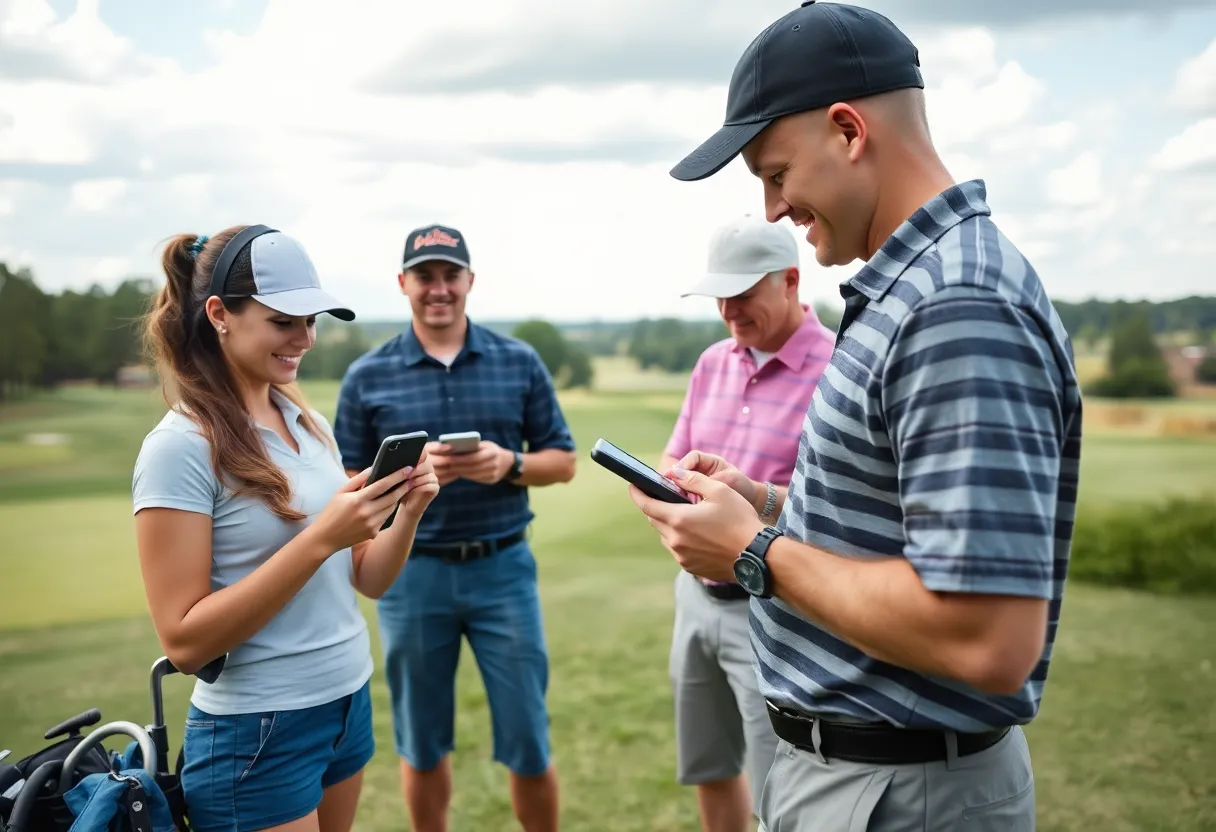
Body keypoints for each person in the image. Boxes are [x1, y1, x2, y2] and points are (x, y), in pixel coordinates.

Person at [629, 3, 1083, 830]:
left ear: (847, 130)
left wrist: (751, 550)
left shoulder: (957, 304)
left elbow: (987, 637)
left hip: (897, 793)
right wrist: (766, 504)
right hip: (861, 779)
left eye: (774, 174)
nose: (772, 212)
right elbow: (892, 527)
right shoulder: (915, 287)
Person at [132, 224, 440, 832]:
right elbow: (185, 642)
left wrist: (409, 510)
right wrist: (322, 536)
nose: (305, 338)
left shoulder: (305, 418)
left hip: (346, 700)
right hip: (257, 729)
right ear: (220, 314)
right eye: (284, 321)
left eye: (313, 320)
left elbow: (369, 580)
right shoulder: (181, 446)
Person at [332, 223, 577, 832]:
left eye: (450, 275)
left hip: (504, 570)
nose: (438, 289)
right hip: (411, 577)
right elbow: (343, 482)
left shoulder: (518, 361)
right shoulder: (367, 375)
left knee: (528, 738)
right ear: (403, 284)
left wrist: (508, 464)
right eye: (425, 277)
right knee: (421, 744)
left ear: (469, 281)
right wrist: (403, 477)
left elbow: (564, 460)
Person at [660, 214, 834, 832]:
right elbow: (671, 460)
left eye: (744, 294)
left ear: (790, 281)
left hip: (776, 607)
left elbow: (835, 506)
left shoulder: (840, 368)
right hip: (697, 598)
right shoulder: (712, 362)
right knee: (708, 765)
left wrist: (752, 505)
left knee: (776, 787)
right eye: (720, 298)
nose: (730, 311)